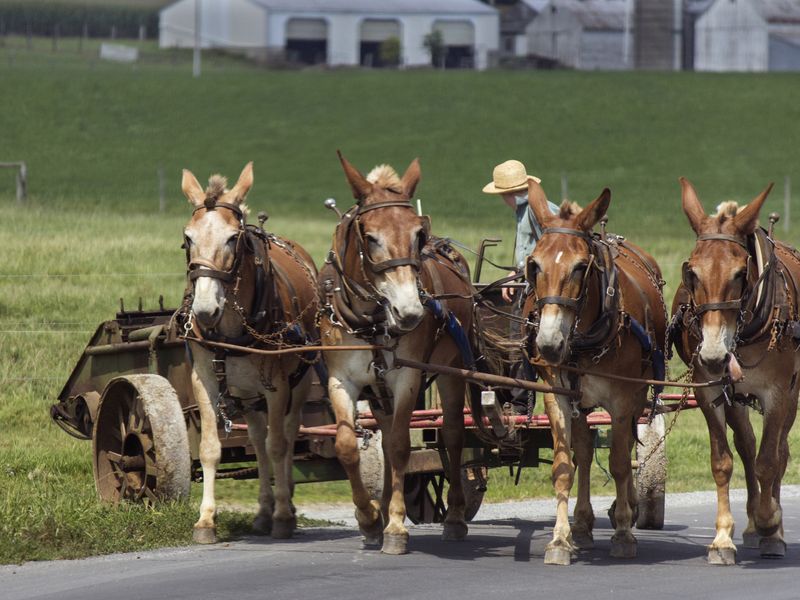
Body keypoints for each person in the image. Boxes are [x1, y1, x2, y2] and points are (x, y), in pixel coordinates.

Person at [482, 159, 559, 303]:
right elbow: (530, 250)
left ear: (508, 194)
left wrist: (518, 276)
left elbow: (555, 249)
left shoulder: (536, 210)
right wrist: (516, 273)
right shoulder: (524, 211)